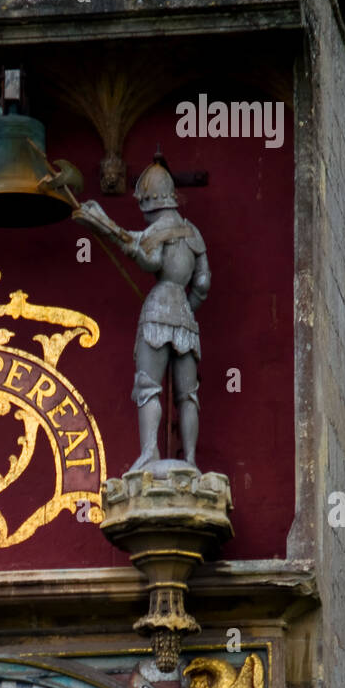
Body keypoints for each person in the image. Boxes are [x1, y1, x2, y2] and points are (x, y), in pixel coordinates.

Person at [72, 160, 210, 471]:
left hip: (158, 310)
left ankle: (150, 452)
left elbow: (149, 260)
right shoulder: (192, 232)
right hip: (186, 318)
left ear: (149, 200)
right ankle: (189, 459)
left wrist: (119, 238)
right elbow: (202, 283)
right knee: (188, 395)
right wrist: (188, 308)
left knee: (148, 386)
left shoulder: (158, 230)